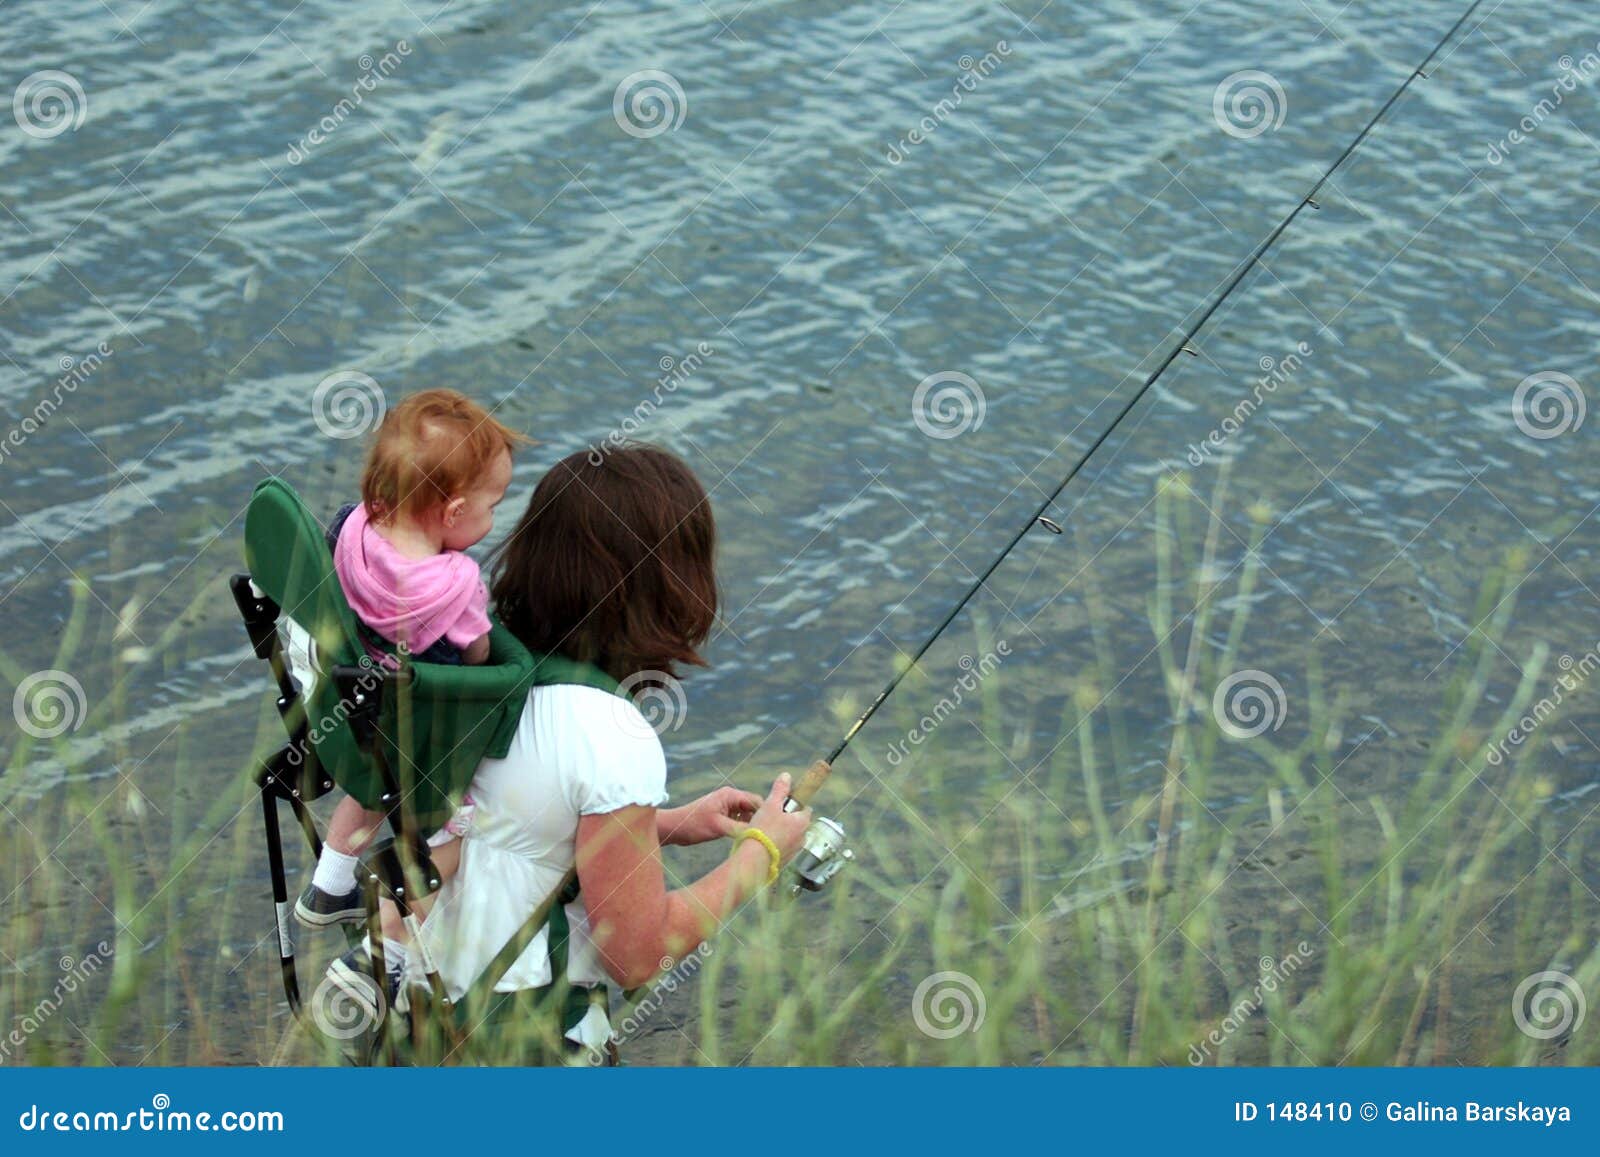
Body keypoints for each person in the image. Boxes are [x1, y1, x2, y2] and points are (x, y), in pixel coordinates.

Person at [324, 445, 815, 1056]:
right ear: (666, 585)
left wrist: (666, 825)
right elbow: (636, 953)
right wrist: (764, 854)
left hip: (409, 1016)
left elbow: (509, 825)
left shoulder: (480, 673)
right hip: (517, 1038)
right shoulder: (613, 734)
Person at [294, 388, 523, 930]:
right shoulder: (457, 581)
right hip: (416, 722)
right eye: (493, 506)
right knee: (444, 796)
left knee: (373, 788)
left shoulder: (354, 528)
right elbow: (476, 651)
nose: (494, 518)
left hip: (352, 703)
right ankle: (417, 919)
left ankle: (328, 889)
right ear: (453, 511)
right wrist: (484, 664)